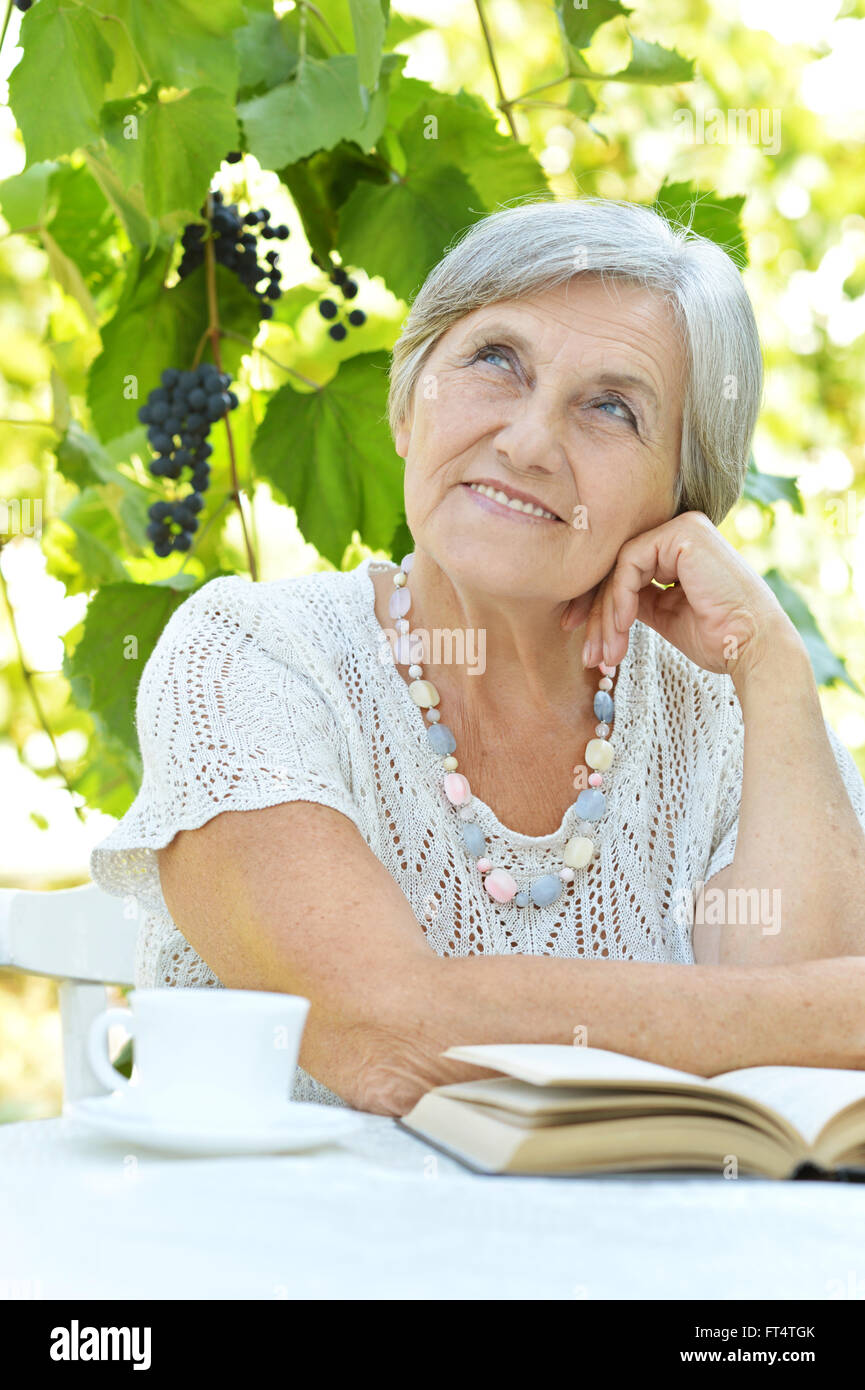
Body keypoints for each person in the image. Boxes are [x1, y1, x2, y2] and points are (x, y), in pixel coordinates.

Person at [89, 197, 865, 1115]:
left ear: (680, 498)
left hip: (656, 1258)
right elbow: (387, 1037)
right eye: (496, 361)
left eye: (611, 408)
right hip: (302, 1256)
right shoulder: (255, 656)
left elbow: (811, 1103)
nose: (529, 442)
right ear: (411, 400)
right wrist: (803, 1021)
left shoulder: (726, 721)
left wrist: (768, 662)